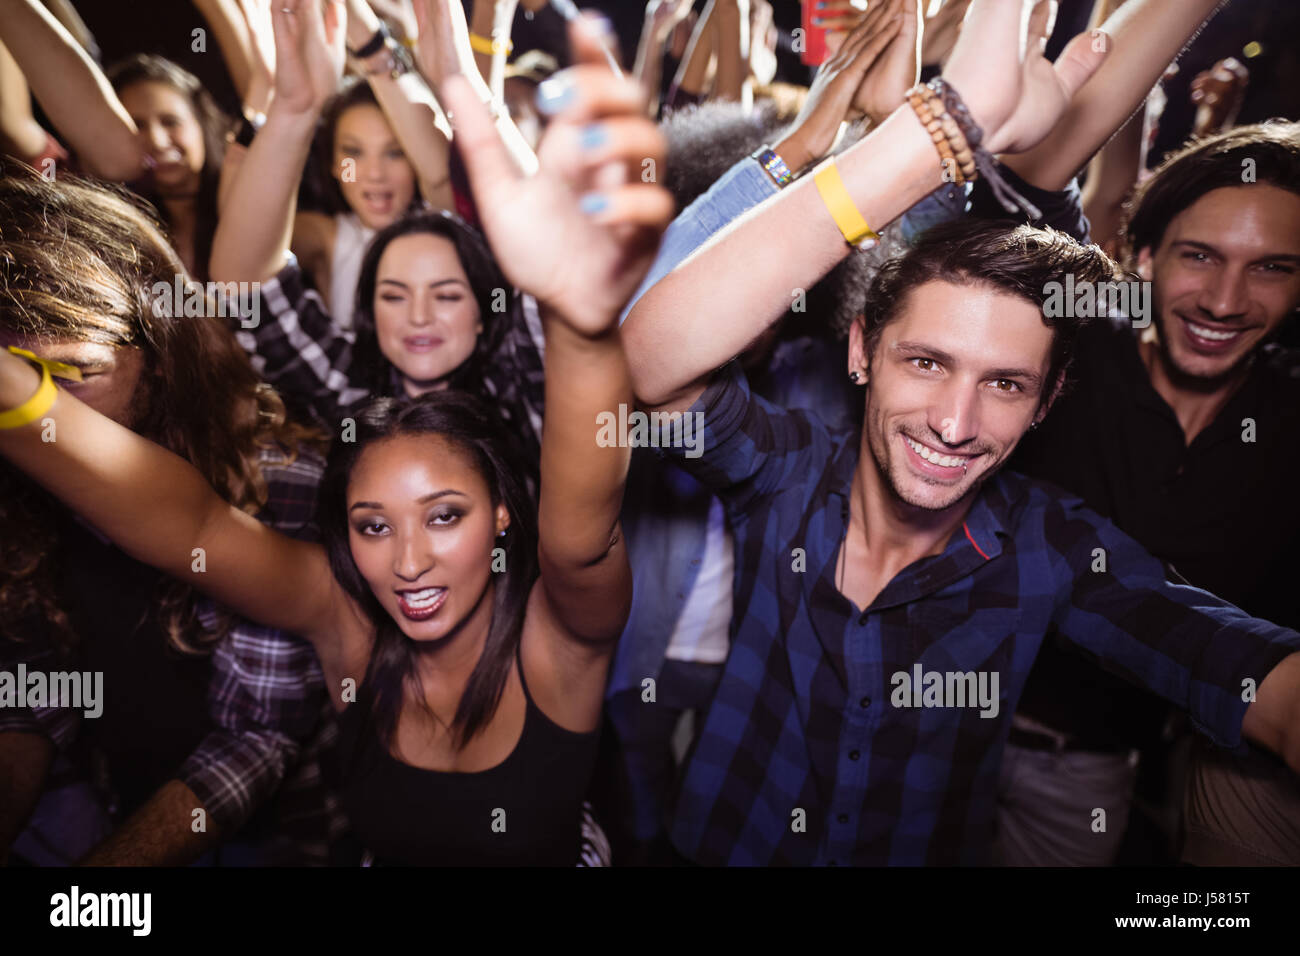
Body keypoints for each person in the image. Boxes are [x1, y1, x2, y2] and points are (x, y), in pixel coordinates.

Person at [620, 0, 1300, 865]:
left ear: (1049, 400)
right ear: (863, 349)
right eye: (928, 363)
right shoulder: (787, 470)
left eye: (1006, 384)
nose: (954, 422)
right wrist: (934, 129)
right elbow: (651, 356)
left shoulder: (1052, 548)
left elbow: (1223, 656)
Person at [0, 3, 672, 866]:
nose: (408, 560)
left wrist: (581, 327)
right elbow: (192, 526)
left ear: (506, 516)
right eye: (371, 525)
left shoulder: (558, 641)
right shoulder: (347, 626)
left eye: (444, 516)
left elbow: (582, 530)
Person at [0, 164, 338, 866]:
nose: (48, 418)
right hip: (109, 798)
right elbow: (34, 691)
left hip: (274, 842)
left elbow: (260, 738)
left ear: (159, 356)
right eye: (23, 383)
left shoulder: (282, 479)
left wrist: (89, 898)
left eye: (73, 377)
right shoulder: (18, 482)